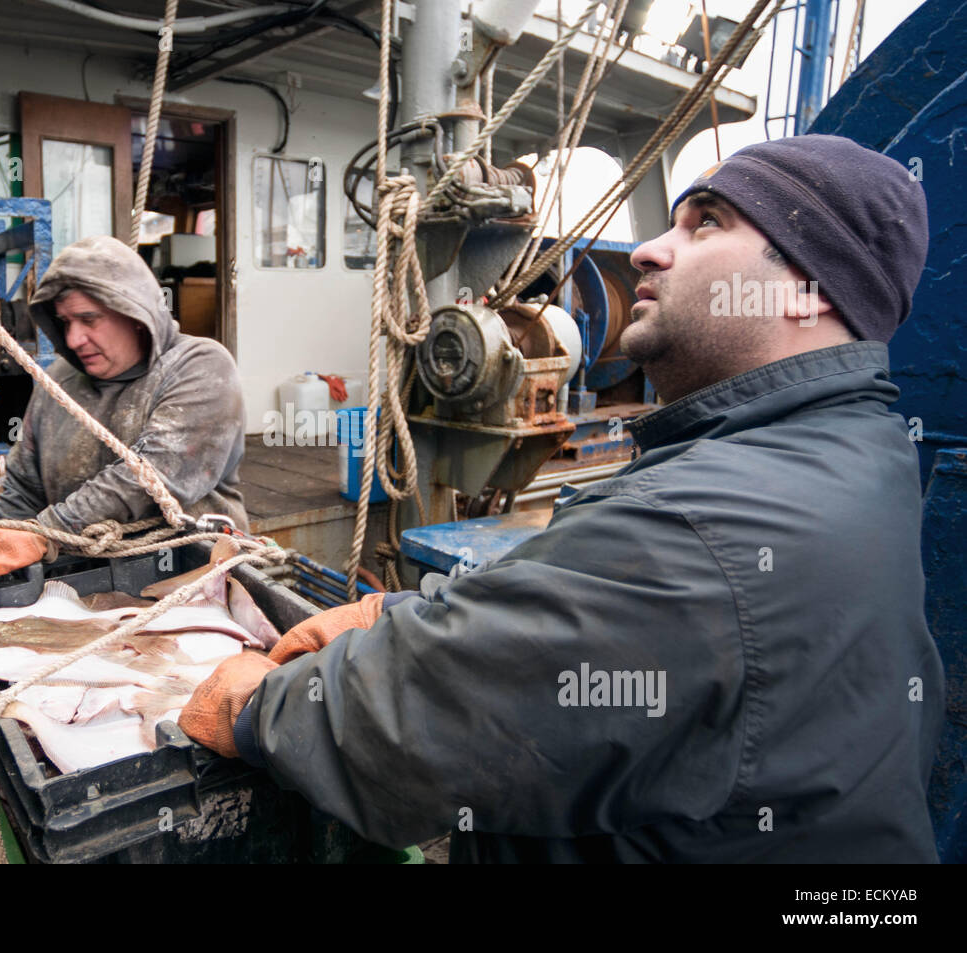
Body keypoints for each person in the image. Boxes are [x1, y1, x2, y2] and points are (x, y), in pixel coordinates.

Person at [178, 134, 947, 863]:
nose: (649, 247)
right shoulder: (857, 446)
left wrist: (262, 706)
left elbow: (415, 724)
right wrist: (402, 613)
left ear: (811, 290)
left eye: (707, 223)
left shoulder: (707, 526)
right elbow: (591, 619)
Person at [0, 235, 248, 586]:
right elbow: (23, 482)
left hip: (195, 577)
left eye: (89, 319)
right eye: (65, 322)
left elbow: (153, 477)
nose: (74, 338)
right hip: (82, 578)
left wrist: (44, 534)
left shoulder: (202, 366)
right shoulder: (61, 379)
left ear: (135, 314)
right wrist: (0, 546)